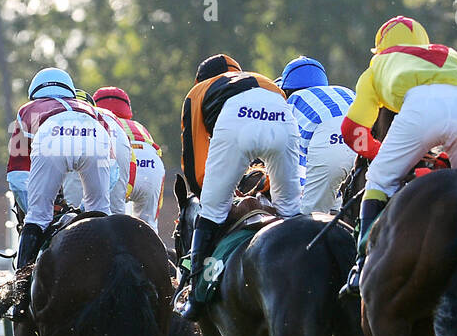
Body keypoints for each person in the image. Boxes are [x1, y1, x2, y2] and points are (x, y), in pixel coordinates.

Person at [339, 16, 457, 297]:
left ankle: (362, 262)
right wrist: (447, 157)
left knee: (378, 179)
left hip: (420, 111)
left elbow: (352, 131)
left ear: (381, 46)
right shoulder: (451, 55)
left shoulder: (379, 63)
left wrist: (382, 153)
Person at [178, 53, 300, 319]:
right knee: (291, 211)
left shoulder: (198, 91)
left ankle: (196, 294)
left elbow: (194, 159)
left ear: (201, 79)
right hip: (282, 118)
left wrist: (210, 196)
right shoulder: (261, 80)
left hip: (237, 122)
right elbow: (268, 153)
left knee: (211, 212)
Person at [7, 68, 112, 277]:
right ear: (70, 91)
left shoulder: (28, 109)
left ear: (34, 93)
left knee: (37, 216)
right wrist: (83, 210)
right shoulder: (92, 109)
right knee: (101, 211)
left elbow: (17, 176)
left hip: (51, 136)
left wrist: (41, 211)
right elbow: (113, 172)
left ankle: (19, 289)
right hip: (95, 134)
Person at [278, 56, 357, 214]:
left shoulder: (291, 102)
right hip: (362, 142)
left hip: (328, 146)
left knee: (311, 219)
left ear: (286, 90)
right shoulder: (344, 91)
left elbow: (289, 165)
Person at [95, 86, 165, 228]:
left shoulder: (100, 121)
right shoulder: (138, 126)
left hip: (122, 160)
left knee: (111, 223)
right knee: (148, 228)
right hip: (151, 165)